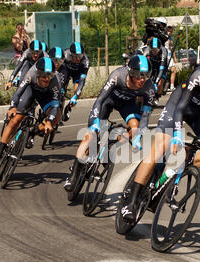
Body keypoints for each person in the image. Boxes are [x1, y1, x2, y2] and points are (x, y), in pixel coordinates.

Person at [120, 53, 200, 223]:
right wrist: (177, 134)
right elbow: (180, 109)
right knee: (159, 149)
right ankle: (131, 202)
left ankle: (177, 168)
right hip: (176, 108)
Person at [63, 55, 157, 192]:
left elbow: (145, 115)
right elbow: (99, 100)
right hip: (108, 101)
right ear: (130, 72)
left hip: (127, 105)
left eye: (145, 75)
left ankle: (113, 141)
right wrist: (94, 122)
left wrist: (139, 135)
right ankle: (73, 175)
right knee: (91, 135)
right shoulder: (117, 75)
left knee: (135, 129)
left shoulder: (149, 87)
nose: (142, 79)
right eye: (138, 75)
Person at [0, 57, 63, 170]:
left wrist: (49, 121)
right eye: (43, 75)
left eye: (50, 75)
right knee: (15, 120)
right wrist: (13, 107)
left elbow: (55, 105)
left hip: (45, 96)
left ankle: (33, 132)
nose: (47, 79)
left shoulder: (55, 80)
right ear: (38, 73)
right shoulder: (31, 74)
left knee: (56, 117)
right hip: (30, 91)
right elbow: (18, 93)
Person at [60, 42, 90, 122]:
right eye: (76, 56)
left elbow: (82, 81)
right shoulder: (65, 55)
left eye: (80, 56)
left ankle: (69, 107)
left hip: (77, 73)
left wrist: (75, 96)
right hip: (65, 70)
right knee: (60, 88)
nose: (78, 59)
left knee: (78, 92)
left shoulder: (85, 61)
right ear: (71, 54)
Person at [165, 25, 178, 92]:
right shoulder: (163, 37)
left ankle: (172, 86)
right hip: (164, 56)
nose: (171, 32)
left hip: (170, 55)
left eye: (171, 31)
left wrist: (174, 57)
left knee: (173, 70)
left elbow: (171, 48)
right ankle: (164, 86)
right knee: (165, 71)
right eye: (169, 31)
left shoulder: (171, 38)